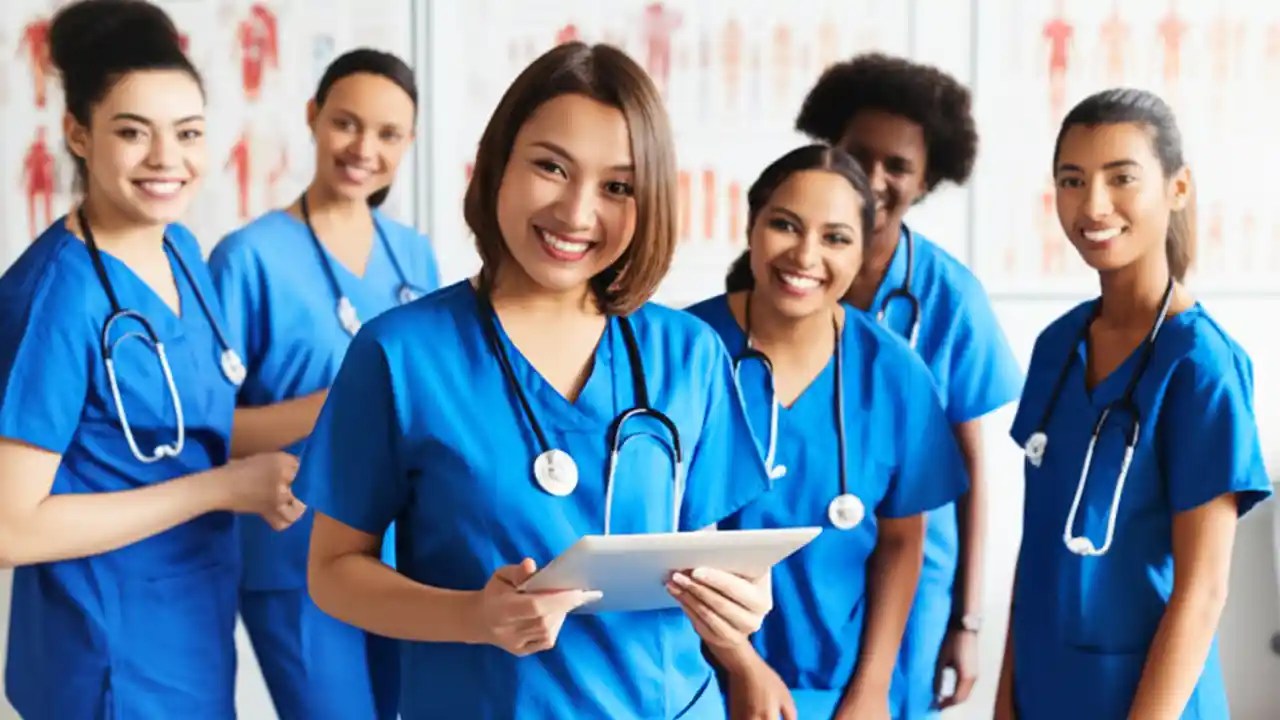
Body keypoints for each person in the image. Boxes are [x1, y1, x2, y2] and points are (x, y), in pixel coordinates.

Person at [296, 42, 774, 719]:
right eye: (551, 166)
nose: (577, 213)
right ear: (498, 165)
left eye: (618, 186)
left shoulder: (688, 354)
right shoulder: (400, 354)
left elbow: (713, 554)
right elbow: (333, 573)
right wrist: (474, 616)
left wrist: (743, 602)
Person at [0, 1, 302, 717]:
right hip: (105, 644)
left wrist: (345, 409)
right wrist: (224, 489)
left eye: (188, 133)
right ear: (78, 133)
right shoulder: (55, 297)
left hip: (192, 623)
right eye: (133, 133)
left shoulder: (183, 254)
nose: (167, 159)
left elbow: (196, 425)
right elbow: (9, 529)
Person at [996, 88, 1272, 719]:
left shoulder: (1200, 365)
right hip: (1045, 688)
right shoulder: (1058, 347)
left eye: (1122, 178)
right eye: (1073, 180)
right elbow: (1038, 548)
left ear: (1177, 188)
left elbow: (1202, 592)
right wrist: (1006, 702)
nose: (1093, 205)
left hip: (1151, 701)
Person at [687, 144, 968, 720]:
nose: (805, 255)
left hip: (837, 692)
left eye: (836, 237)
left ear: (864, 252)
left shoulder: (892, 373)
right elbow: (656, 535)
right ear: (752, 226)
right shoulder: (683, 350)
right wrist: (741, 665)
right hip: (697, 683)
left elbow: (902, 540)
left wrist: (869, 691)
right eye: (785, 225)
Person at [208, 48, 438, 720]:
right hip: (293, 555)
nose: (364, 147)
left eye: (388, 134)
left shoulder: (414, 254)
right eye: (346, 123)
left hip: (405, 553)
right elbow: (206, 429)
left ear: (409, 143)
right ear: (312, 118)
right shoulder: (248, 257)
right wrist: (336, 404)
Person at [796, 52, 1022, 717]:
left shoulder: (947, 296)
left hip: (918, 572)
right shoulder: (783, 277)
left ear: (927, 181)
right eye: (858, 153)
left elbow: (973, 464)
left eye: (898, 166)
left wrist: (968, 622)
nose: (873, 178)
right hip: (802, 566)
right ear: (827, 148)